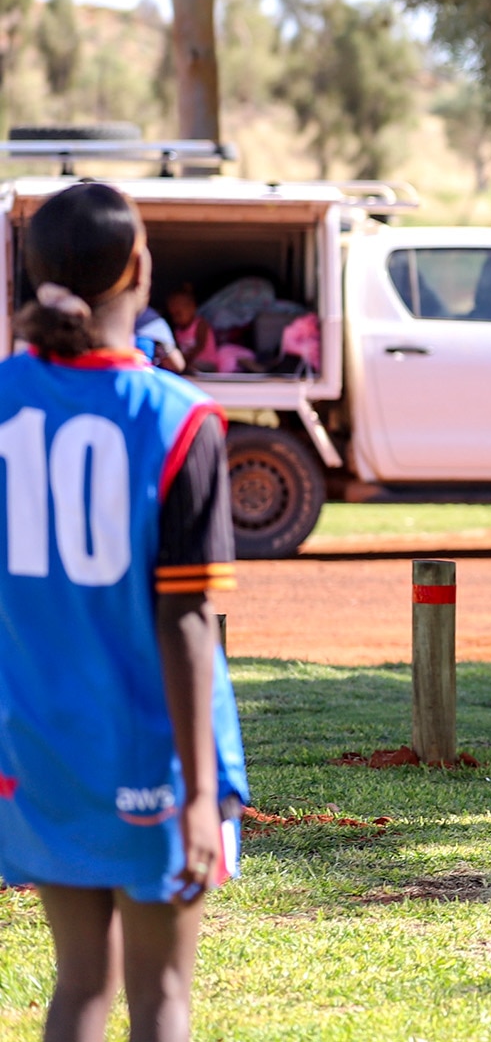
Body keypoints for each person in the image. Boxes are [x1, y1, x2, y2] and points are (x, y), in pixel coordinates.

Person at [0, 182, 247, 1042]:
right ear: (139, 267)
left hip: (38, 749)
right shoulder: (178, 418)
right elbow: (184, 620)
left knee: (77, 987)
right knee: (163, 996)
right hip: (154, 754)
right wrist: (199, 792)